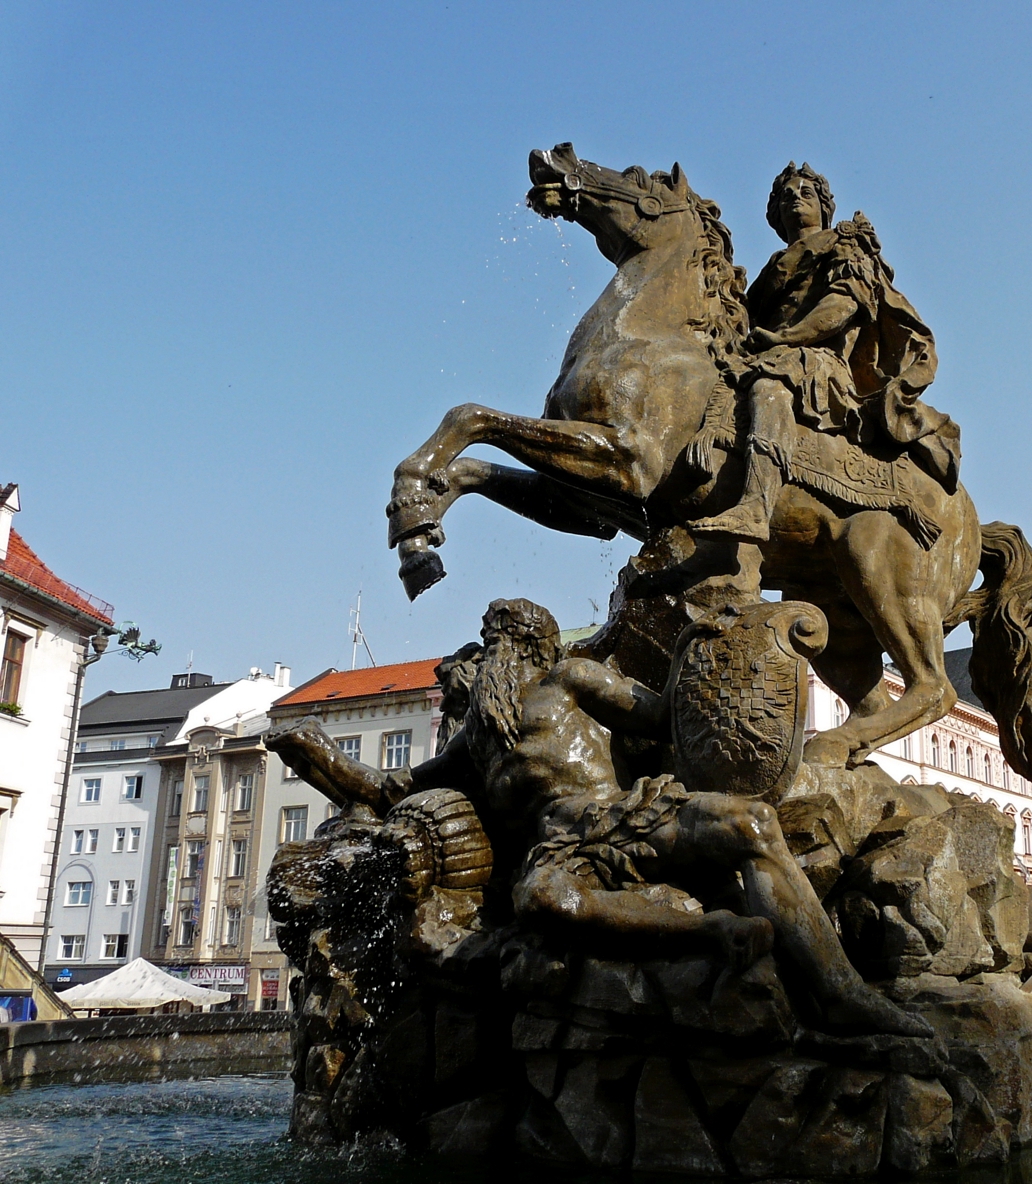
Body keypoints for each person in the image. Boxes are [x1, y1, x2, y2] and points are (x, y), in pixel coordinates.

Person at [271, 597, 930, 1038]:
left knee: (748, 825)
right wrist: (308, 750)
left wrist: (692, 655)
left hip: (618, 817)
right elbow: (386, 787)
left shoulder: (571, 681)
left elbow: (663, 714)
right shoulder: (470, 748)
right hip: (561, 847)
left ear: (534, 647)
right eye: (488, 638)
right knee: (542, 898)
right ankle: (718, 933)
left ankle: (840, 991)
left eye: (505, 637)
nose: (493, 649)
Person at [689, 164, 960, 543]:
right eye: (786, 196)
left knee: (770, 384)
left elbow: (842, 306)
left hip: (819, 361)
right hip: (771, 350)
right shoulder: (771, 269)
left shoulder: (844, 243)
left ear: (823, 206)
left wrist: (786, 337)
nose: (795, 200)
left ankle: (755, 506)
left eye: (805, 193)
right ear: (775, 216)